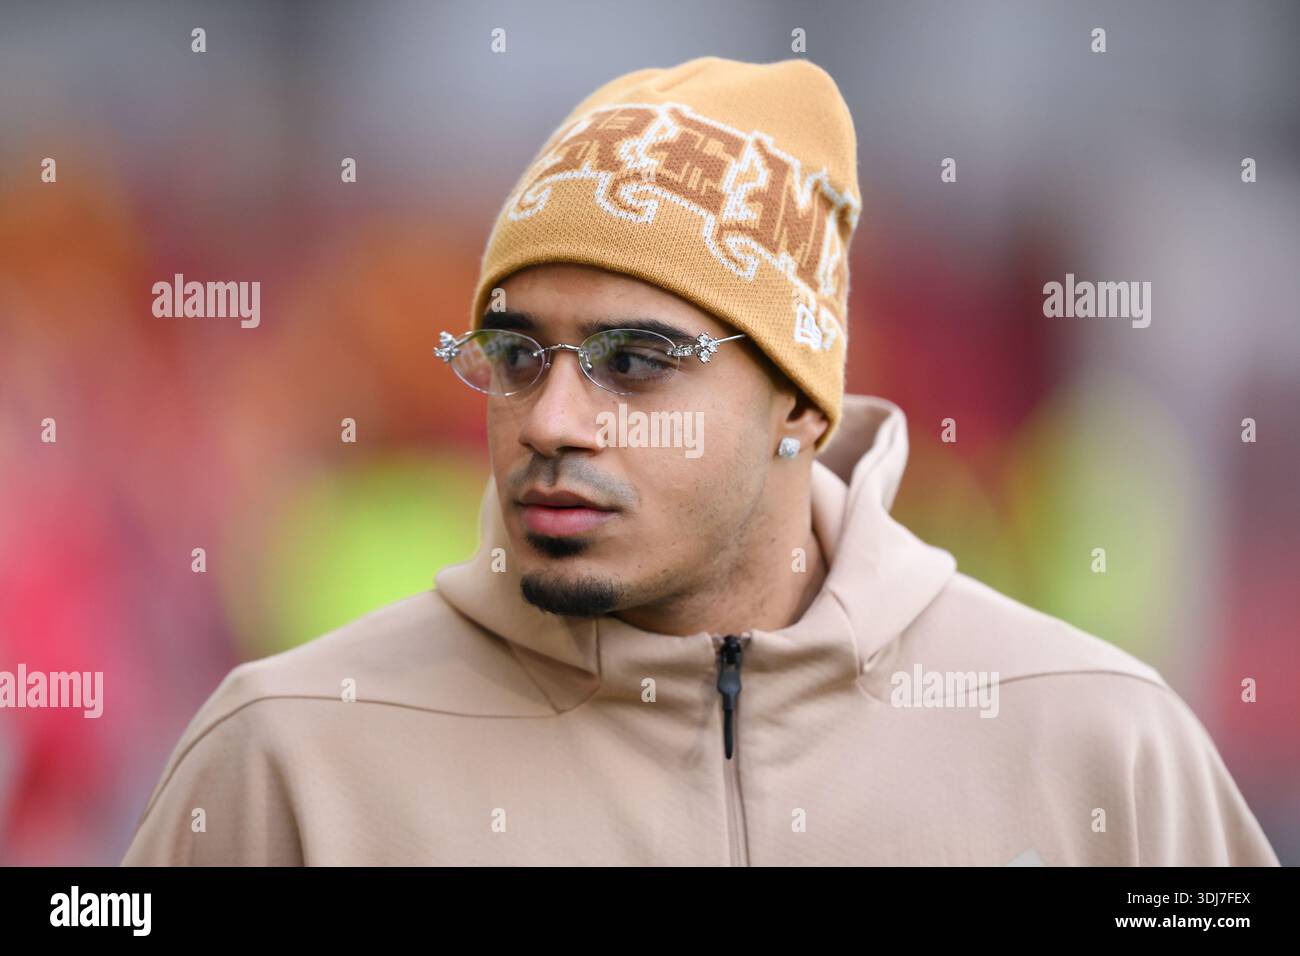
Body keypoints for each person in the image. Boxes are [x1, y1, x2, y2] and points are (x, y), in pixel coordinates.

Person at [121, 56, 1278, 866]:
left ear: (797, 402)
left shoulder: (1100, 745)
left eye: (636, 361)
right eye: (516, 353)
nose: (552, 418)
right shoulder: (285, 754)